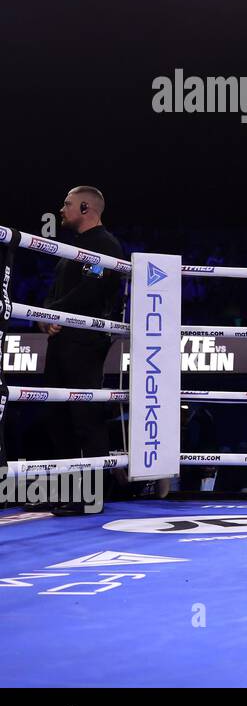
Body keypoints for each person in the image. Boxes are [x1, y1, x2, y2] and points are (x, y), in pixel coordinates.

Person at [34, 186, 124, 515]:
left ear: (86, 207)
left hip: (85, 340)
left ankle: (89, 496)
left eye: (67, 204)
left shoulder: (105, 245)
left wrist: (55, 312)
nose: (61, 210)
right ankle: (65, 491)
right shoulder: (72, 249)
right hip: (61, 339)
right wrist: (46, 315)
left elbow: (92, 290)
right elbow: (57, 291)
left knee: (84, 416)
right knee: (56, 416)